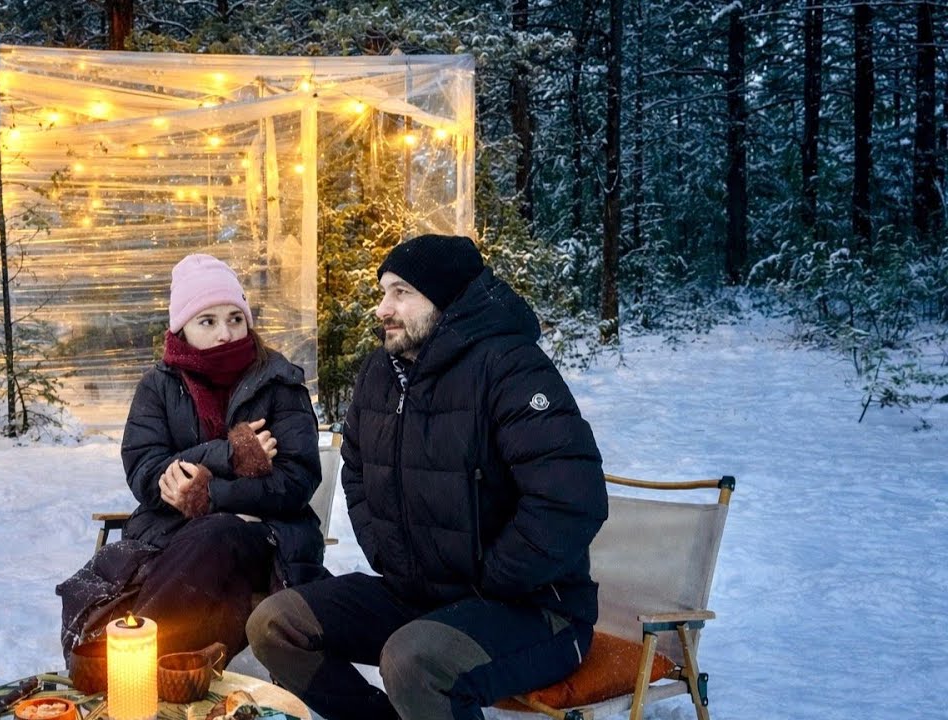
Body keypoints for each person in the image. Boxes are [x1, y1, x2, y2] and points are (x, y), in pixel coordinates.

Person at [247, 234, 608, 720]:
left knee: (413, 658)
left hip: (531, 609)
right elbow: (356, 465)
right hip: (418, 595)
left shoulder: (511, 369)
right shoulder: (381, 372)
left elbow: (572, 500)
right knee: (275, 624)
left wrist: (491, 578)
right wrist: (385, 550)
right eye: (382, 292)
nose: (382, 308)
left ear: (447, 299)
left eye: (401, 292)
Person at [57, 253, 326, 662]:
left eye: (235, 318)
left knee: (217, 532)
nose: (226, 333)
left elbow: (296, 480)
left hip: (268, 539)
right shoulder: (158, 387)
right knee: (217, 593)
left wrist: (209, 494)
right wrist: (228, 454)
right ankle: (182, 678)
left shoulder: (279, 382)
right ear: (182, 327)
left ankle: (125, 663)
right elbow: (146, 470)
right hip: (170, 537)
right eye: (208, 321)